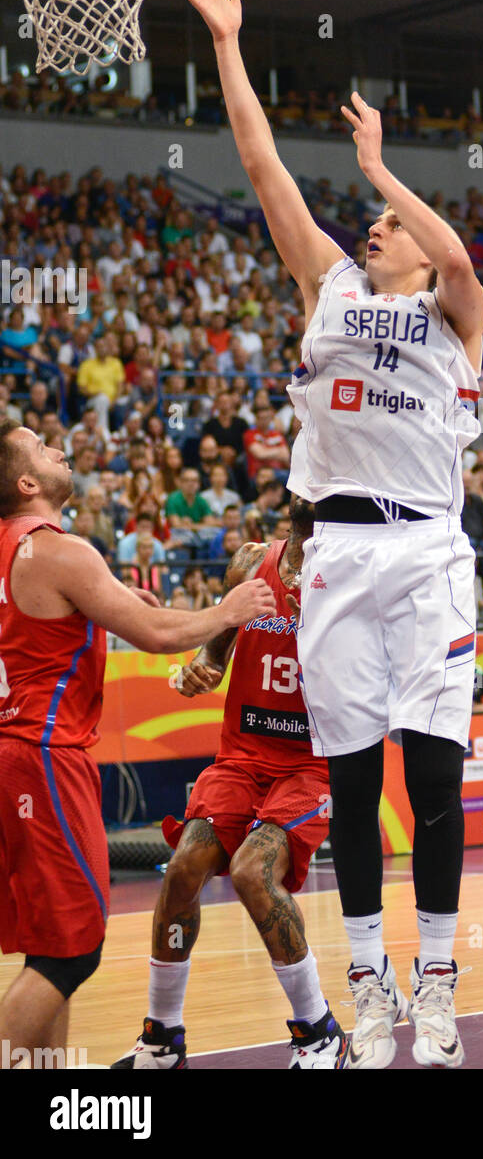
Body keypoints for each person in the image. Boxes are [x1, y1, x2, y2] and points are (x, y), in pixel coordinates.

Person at [182, 0, 483, 1070]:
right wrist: (226, 40)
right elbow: (262, 166)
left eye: (385, 226)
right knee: (353, 784)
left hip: (427, 549)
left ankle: (442, 985)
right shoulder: (330, 288)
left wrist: (381, 168)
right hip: (338, 549)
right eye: (368, 221)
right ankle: (369, 983)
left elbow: (453, 251)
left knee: (437, 774)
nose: (373, 231)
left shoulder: (456, 312)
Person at [0, 423, 275, 1066]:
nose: (58, 446)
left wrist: (108, 609)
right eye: (42, 446)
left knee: (47, 945)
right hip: (43, 755)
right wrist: (228, 610)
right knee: (73, 952)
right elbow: (155, 632)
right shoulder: (60, 550)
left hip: (15, 755)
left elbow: (45, 628)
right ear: (28, 483)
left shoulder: (13, 551)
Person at [113, 497, 348, 1071]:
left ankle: (319, 1031)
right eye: (301, 480)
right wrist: (200, 669)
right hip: (241, 757)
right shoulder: (249, 563)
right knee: (185, 866)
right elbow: (215, 654)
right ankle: (162, 1038)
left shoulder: (348, 573)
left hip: (309, 764)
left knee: (250, 871)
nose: (307, 490)